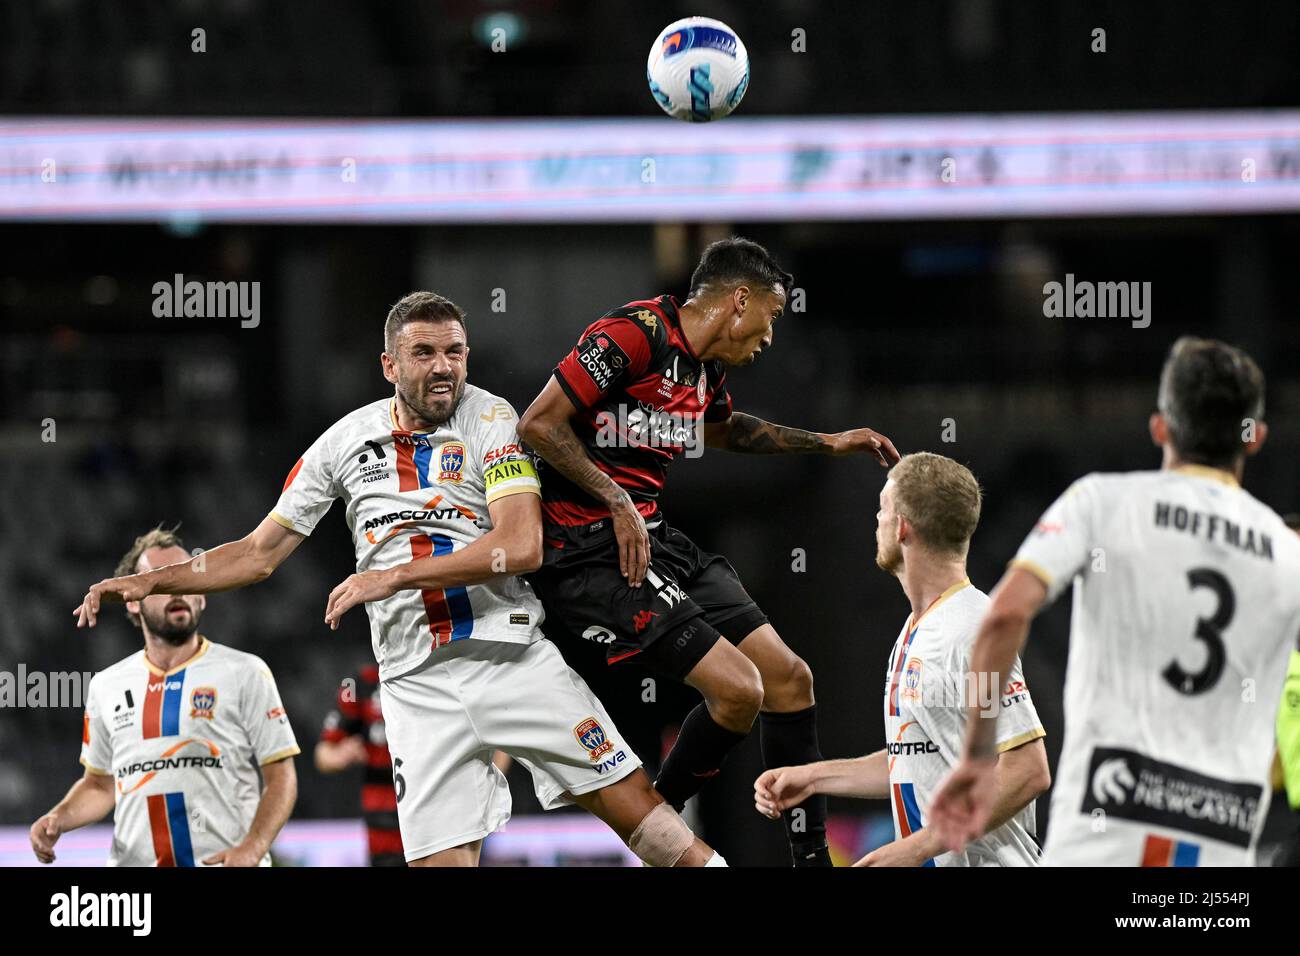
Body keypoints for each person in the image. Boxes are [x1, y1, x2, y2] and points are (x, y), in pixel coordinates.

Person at [75, 292, 722, 868]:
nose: (443, 366)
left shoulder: (490, 418)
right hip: (414, 686)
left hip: (509, 658)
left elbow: (520, 546)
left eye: (454, 352)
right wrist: (155, 584)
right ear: (390, 365)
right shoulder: (341, 443)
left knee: (644, 820)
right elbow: (257, 553)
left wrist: (393, 576)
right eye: (424, 353)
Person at [518, 236, 899, 865]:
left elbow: (728, 429)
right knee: (740, 691)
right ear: (739, 301)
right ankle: (660, 839)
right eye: (771, 317)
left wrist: (829, 443)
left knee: (789, 679)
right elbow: (536, 423)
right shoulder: (632, 334)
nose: (770, 337)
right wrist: (613, 497)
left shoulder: (703, 370)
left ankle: (807, 862)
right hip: (589, 549)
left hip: (652, 536)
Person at [931, 337, 1300, 866]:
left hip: (1105, 832)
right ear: (1256, 437)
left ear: (1161, 427)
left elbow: (1004, 616)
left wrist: (975, 757)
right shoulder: (1286, 550)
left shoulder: (1102, 502)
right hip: (1222, 846)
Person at [754, 453, 1049, 865]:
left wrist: (915, 849)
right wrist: (813, 778)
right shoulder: (919, 627)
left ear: (903, 526)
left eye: (882, 509)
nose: (876, 521)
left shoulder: (972, 630)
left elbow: (1027, 771)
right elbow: (913, 757)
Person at [36, 527, 299, 866]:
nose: (178, 591)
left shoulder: (246, 672)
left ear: (202, 593)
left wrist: (253, 847)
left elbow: (282, 776)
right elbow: (100, 786)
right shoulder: (106, 685)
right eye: (160, 582)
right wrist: (58, 819)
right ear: (133, 599)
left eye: (186, 579)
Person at [315, 663, 404, 866]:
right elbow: (323, 755)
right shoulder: (358, 682)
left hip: (438, 810)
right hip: (383, 821)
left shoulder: (439, 668)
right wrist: (341, 754)